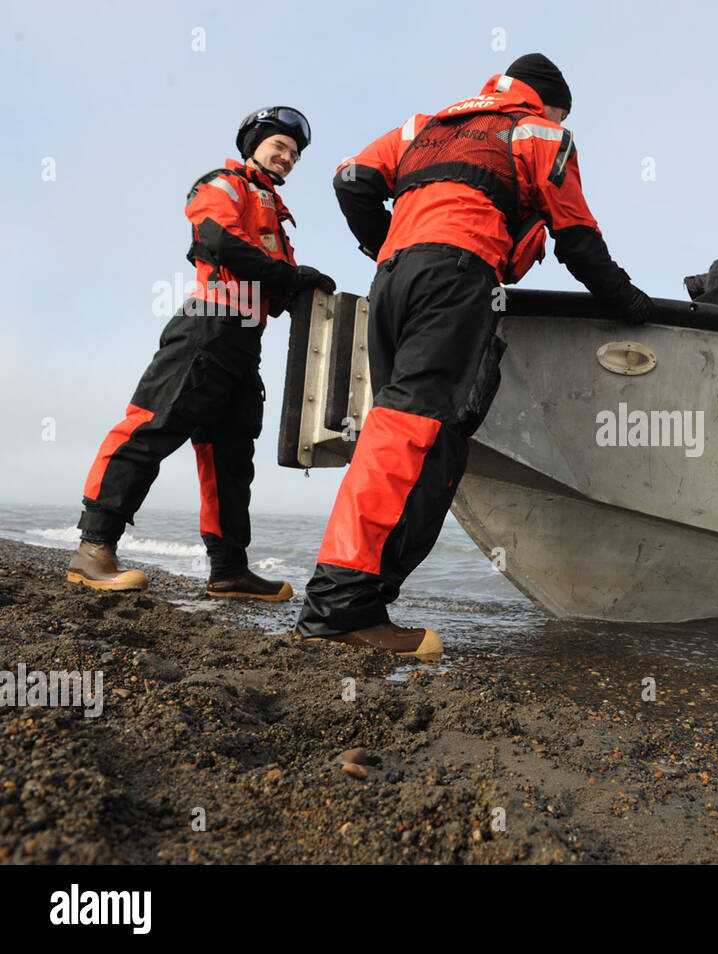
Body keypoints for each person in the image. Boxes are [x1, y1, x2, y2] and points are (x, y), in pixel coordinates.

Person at [296, 53, 652, 657]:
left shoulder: (423, 126)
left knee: (413, 437)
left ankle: (364, 601)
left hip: (393, 283)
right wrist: (630, 302)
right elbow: (578, 237)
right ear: (550, 101)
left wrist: (385, 244)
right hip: (456, 278)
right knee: (409, 436)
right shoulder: (542, 130)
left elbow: (350, 178)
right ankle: (339, 609)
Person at [69, 107, 336, 597]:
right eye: (279, 146)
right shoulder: (223, 183)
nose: (287, 159)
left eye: (295, 156)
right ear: (254, 143)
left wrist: (302, 288)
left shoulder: (274, 212)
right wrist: (289, 277)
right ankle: (93, 548)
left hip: (243, 343)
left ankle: (229, 570)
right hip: (205, 328)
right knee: (151, 427)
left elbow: (275, 286)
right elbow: (217, 239)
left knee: (230, 456)